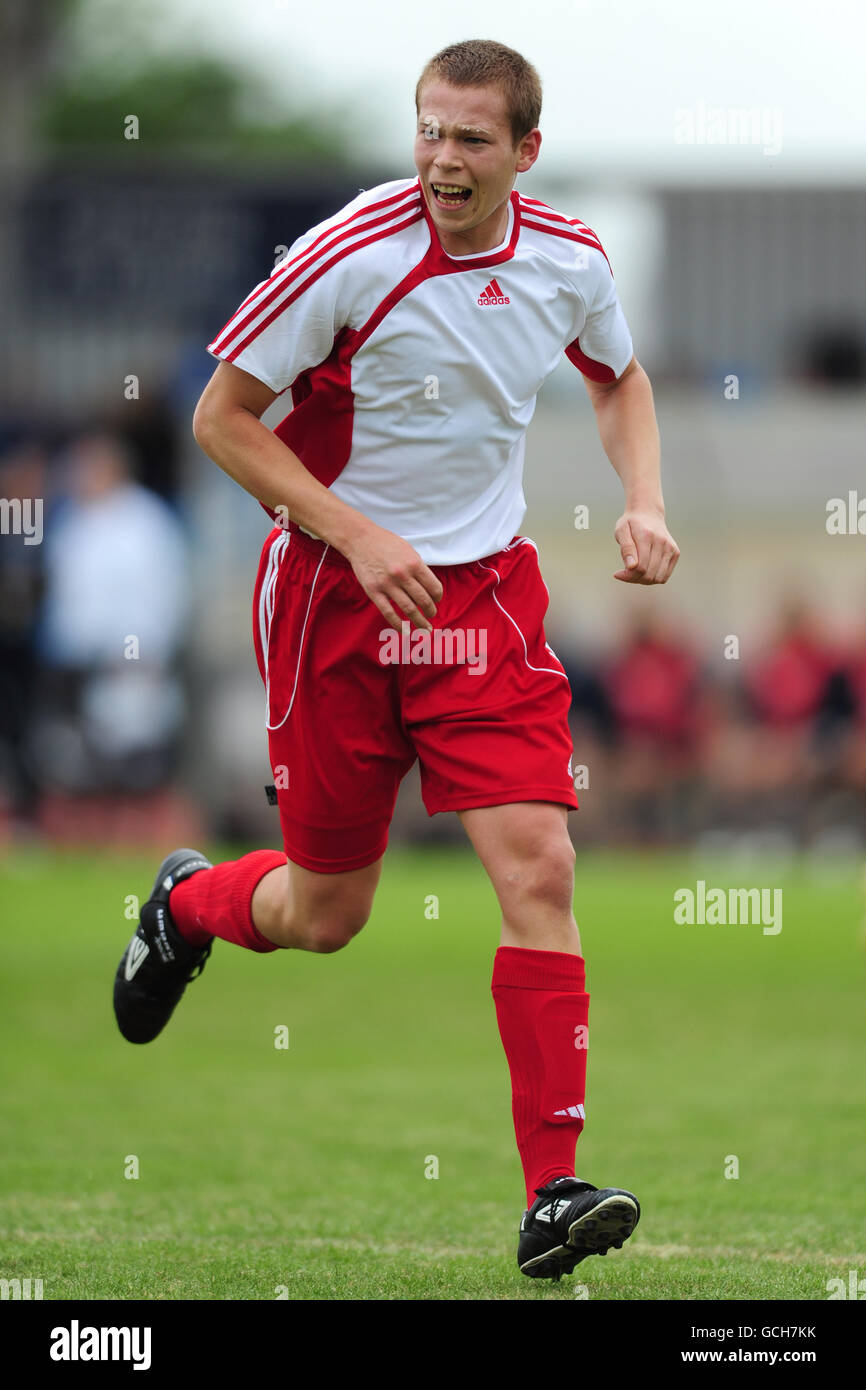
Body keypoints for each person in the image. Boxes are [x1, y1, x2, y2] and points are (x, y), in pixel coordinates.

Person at [113, 38, 679, 1282]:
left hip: (479, 599)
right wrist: (356, 533)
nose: (441, 159)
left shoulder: (568, 258)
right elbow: (220, 419)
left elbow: (620, 375)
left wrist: (642, 497)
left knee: (538, 864)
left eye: (471, 138)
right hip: (332, 597)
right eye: (428, 130)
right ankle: (187, 905)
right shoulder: (349, 251)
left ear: (524, 152)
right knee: (329, 914)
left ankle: (552, 1190)